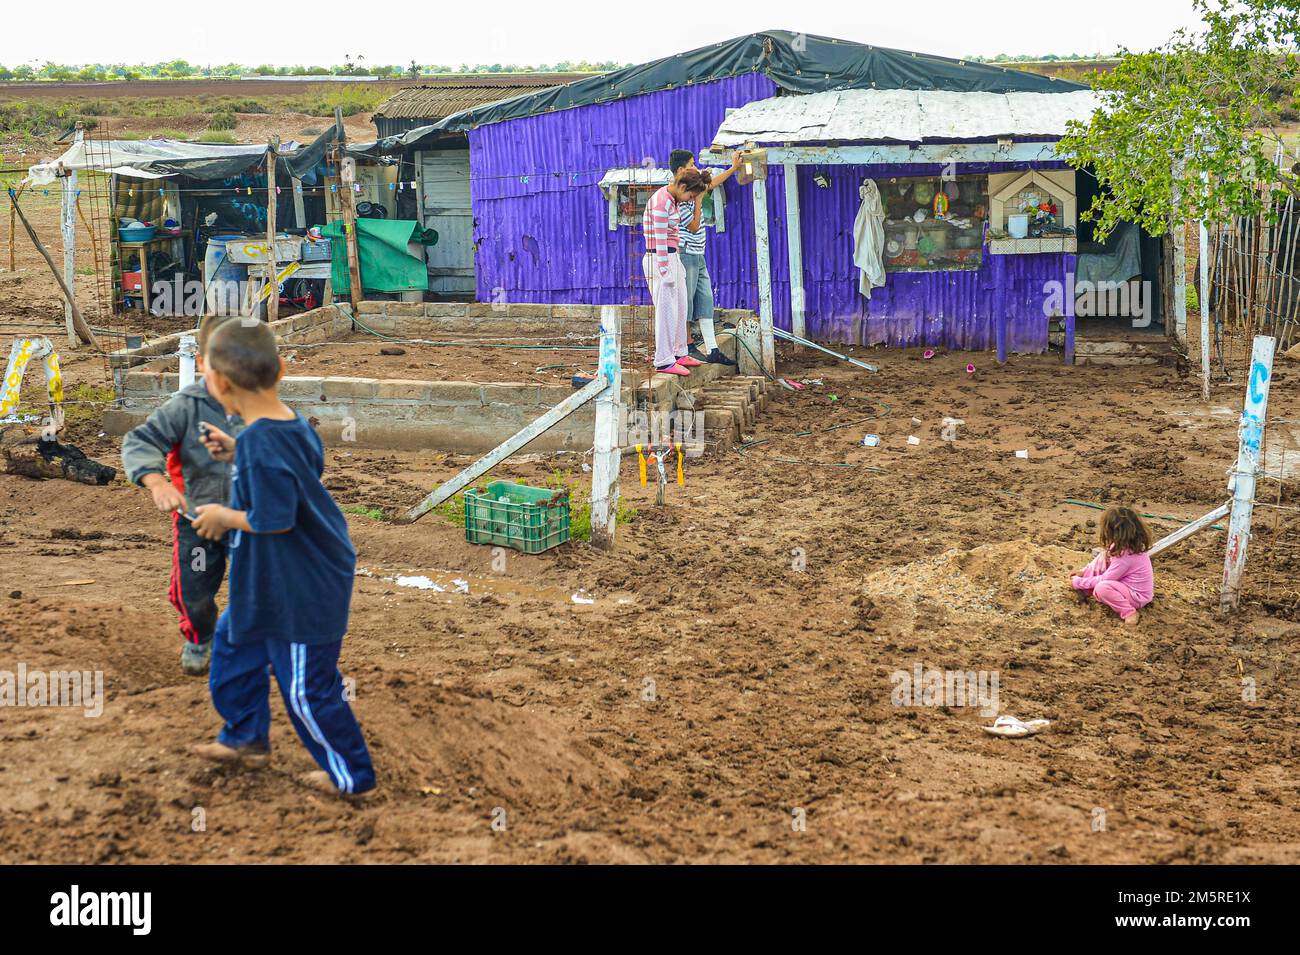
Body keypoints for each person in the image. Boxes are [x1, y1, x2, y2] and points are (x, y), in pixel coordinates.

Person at [189, 319, 375, 797]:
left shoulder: (261, 443)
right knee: (234, 649)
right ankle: (246, 738)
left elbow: (273, 518)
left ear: (219, 383)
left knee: (305, 689)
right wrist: (237, 452)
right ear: (282, 369)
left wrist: (223, 517)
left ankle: (352, 777)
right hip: (268, 579)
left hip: (301, 585)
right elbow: (294, 467)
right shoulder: (285, 423)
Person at [121, 315, 241, 676]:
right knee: (194, 592)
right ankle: (201, 635)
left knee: (261, 587)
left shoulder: (260, 406)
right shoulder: (185, 407)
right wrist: (157, 482)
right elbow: (141, 440)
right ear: (202, 362)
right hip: (197, 523)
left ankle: (252, 646)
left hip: (249, 521)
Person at [670, 148, 743, 365]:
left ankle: (711, 348)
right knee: (687, 302)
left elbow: (711, 184)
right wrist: (700, 201)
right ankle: (687, 345)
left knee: (705, 300)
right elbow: (691, 227)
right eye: (692, 164)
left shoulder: (692, 187)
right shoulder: (679, 194)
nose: (696, 167)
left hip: (697, 252)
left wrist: (734, 168)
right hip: (686, 252)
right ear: (681, 170)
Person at [642, 167, 711, 376]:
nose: (690, 199)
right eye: (690, 195)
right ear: (682, 186)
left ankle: (679, 352)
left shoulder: (674, 200)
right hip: (659, 257)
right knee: (666, 311)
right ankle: (663, 359)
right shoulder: (661, 201)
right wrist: (665, 271)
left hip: (673, 256)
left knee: (681, 306)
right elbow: (660, 239)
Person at [1070, 505, 1154, 626]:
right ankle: (1086, 585)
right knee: (1103, 556)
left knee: (1102, 588)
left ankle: (1129, 612)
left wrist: (1078, 583)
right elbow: (1101, 561)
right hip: (1123, 585)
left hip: (1137, 596)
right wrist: (1083, 572)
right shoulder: (1120, 546)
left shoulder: (1126, 557)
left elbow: (1106, 579)